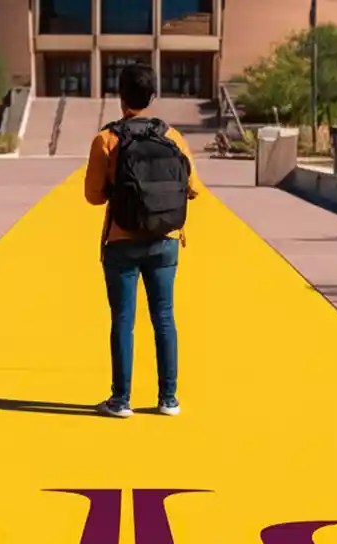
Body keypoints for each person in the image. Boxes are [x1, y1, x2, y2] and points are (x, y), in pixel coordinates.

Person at [84, 64, 200, 419]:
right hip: (165, 240)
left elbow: (93, 196)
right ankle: (169, 398)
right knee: (164, 317)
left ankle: (121, 401)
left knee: (123, 319)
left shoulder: (106, 139)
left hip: (121, 240)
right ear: (152, 97)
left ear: (120, 97)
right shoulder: (173, 137)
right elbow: (193, 189)